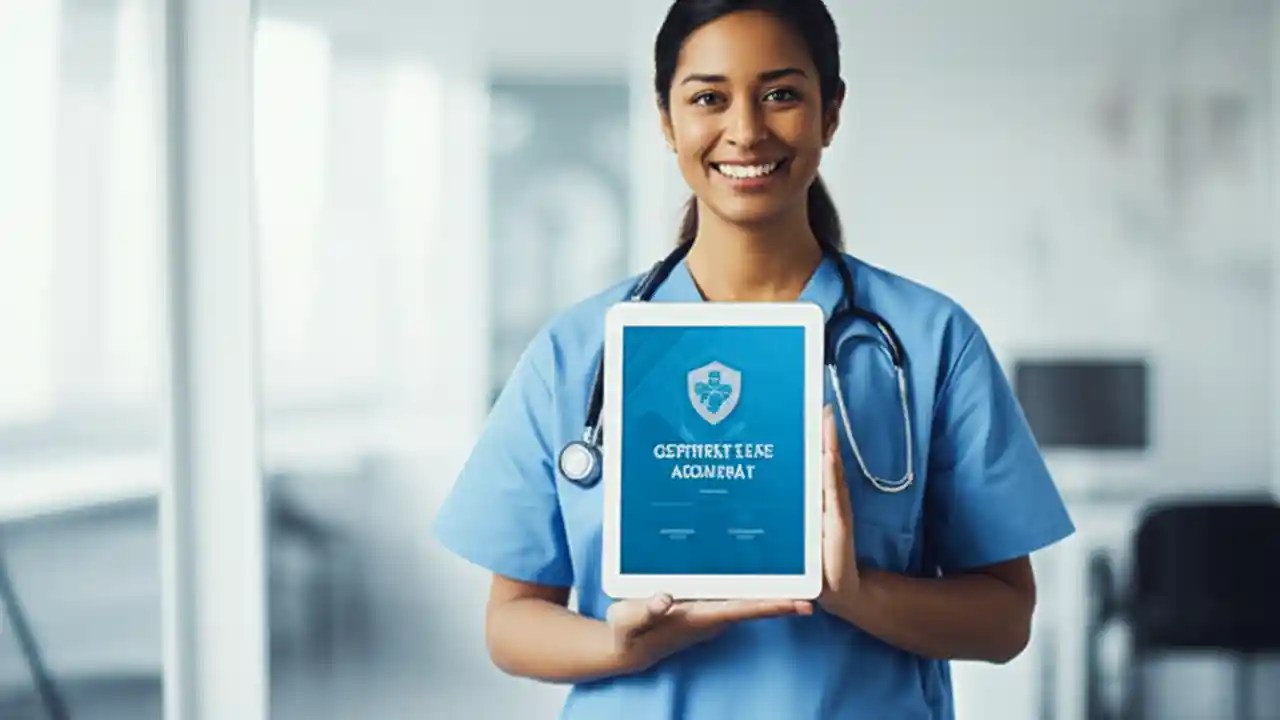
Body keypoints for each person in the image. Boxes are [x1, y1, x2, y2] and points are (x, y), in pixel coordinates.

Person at [432, 0, 1075, 717]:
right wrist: (623, 646)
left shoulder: (929, 342)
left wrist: (857, 594)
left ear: (831, 112)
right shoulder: (577, 351)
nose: (745, 131)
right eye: (708, 98)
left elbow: (1004, 619)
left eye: (781, 95)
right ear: (666, 120)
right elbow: (511, 622)